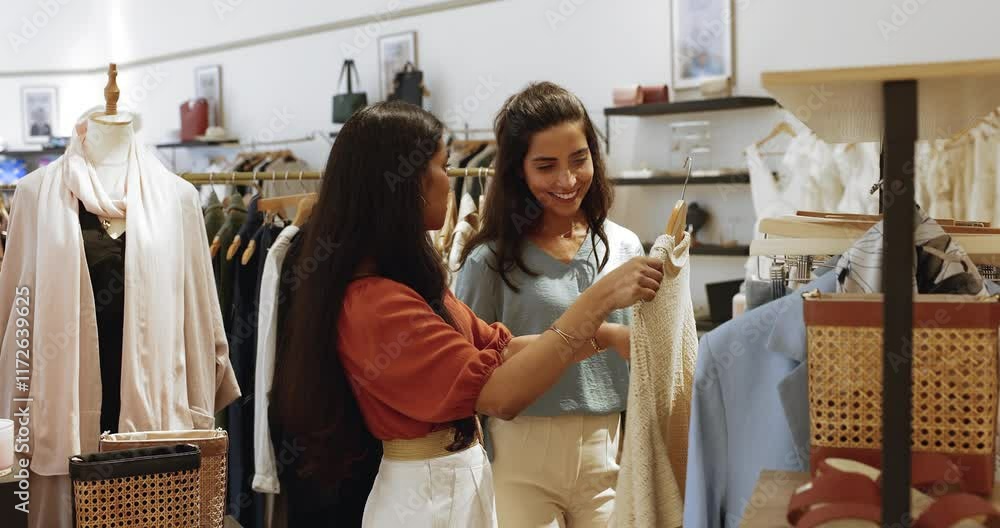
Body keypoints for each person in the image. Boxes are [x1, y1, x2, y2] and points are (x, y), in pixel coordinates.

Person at [270, 101, 663, 527]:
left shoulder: (410, 283)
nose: (450, 180)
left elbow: (504, 348)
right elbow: (500, 395)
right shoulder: (375, 304)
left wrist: (605, 336)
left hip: (463, 485)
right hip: (429, 499)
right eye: (442, 166)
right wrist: (596, 300)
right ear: (404, 184)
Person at [454, 82, 646, 527]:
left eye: (579, 160)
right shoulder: (489, 262)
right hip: (516, 454)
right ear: (518, 170)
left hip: (610, 448)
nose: (567, 180)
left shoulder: (623, 245)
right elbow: (470, 369)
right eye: (546, 166)